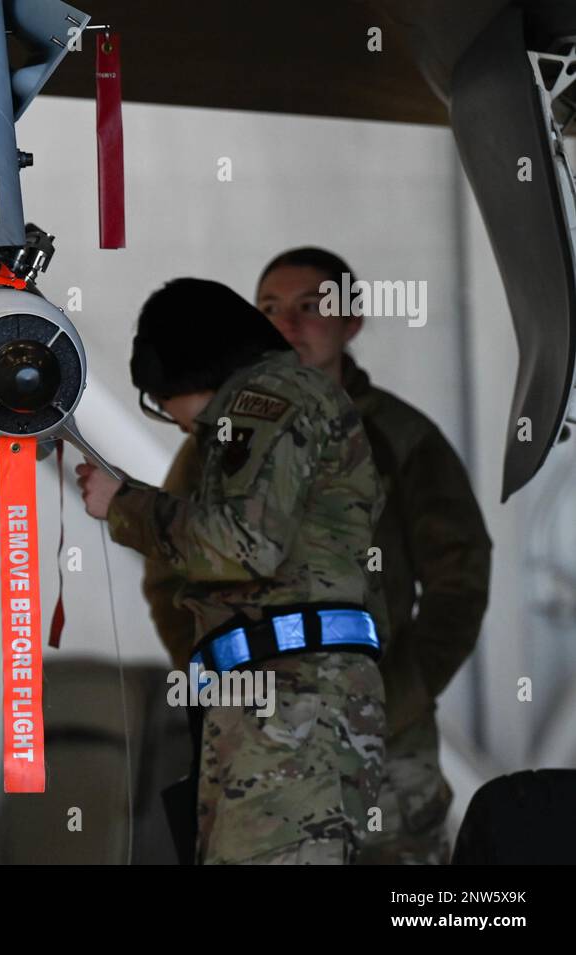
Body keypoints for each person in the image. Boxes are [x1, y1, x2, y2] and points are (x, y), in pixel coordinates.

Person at [145, 247, 490, 864]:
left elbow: (459, 582)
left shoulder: (401, 436)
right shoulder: (217, 438)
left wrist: (397, 692)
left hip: (388, 730)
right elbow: (168, 572)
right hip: (262, 728)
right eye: (270, 308)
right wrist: (225, 672)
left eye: (312, 307)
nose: (289, 324)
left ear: (351, 321)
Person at [77, 278, 387, 865]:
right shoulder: (284, 398)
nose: (180, 427)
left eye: (163, 407)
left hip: (289, 705)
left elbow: (246, 543)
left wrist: (124, 505)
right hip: (289, 699)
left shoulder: (265, 397)